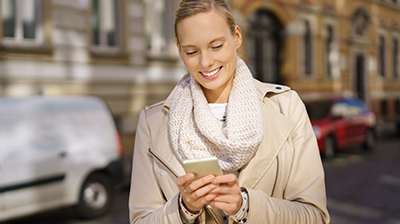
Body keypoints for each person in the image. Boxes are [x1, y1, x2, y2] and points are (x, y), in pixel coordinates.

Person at [129, 0, 330, 223]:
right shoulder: (153, 122)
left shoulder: (287, 107)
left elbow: (315, 216)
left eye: (216, 46)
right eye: (191, 51)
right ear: (179, 50)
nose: (206, 62)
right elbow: (141, 219)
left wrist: (246, 206)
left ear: (236, 37)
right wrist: (183, 209)